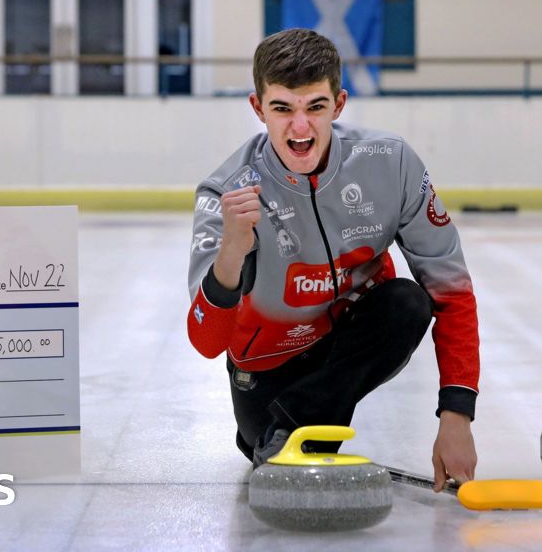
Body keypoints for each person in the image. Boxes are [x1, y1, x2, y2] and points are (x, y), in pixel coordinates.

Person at [186, 28, 479, 491]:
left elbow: (451, 288)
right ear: (258, 108)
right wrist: (230, 254)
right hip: (265, 374)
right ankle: (282, 430)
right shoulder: (228, 192)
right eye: (282, 108)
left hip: (346, 342)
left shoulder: (392, 164)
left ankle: (294, 431)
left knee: (407, 302)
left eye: (315, 108)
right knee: (268, 439)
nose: (300, 129)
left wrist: (457, 414)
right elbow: (205, 340)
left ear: (339, 105)